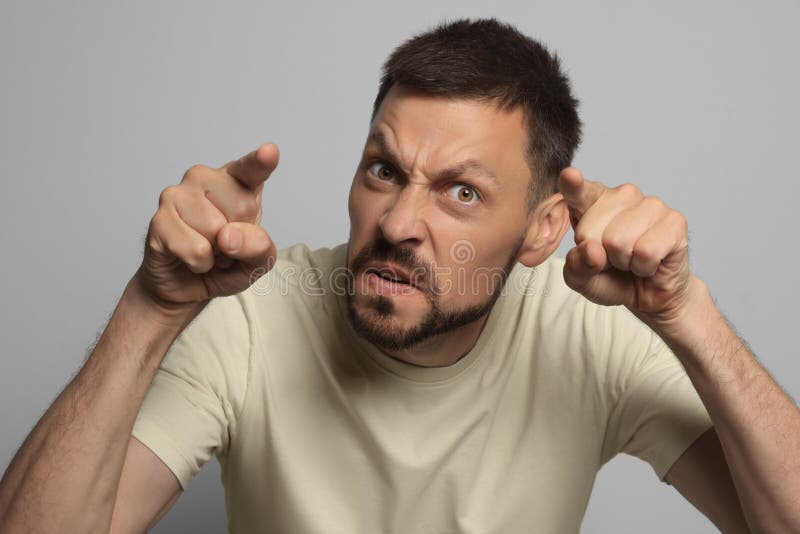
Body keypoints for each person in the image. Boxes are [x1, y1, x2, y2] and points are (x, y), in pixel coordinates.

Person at [0, 17, 798, 534]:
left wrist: (688, 313)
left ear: (542, 229)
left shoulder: (586, 338)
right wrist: (151, 304)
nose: (397, 224)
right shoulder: (253, 319)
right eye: (383, 170)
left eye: (461, 191)